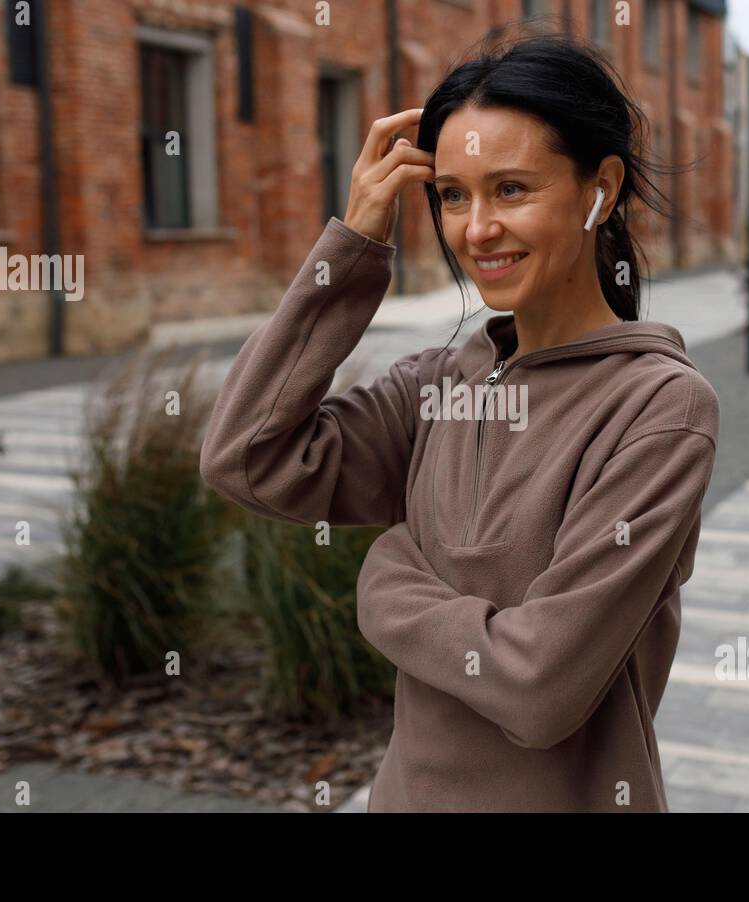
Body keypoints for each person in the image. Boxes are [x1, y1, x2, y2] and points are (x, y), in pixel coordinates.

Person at [200, 33, 719, 812]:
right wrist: (351, 247)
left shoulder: (659, 409)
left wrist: (385, 585)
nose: (476, 230)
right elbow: (246, 457)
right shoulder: (436, 385)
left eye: (511, 189)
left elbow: (539, 688)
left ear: (600, 190)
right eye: (450, 195)